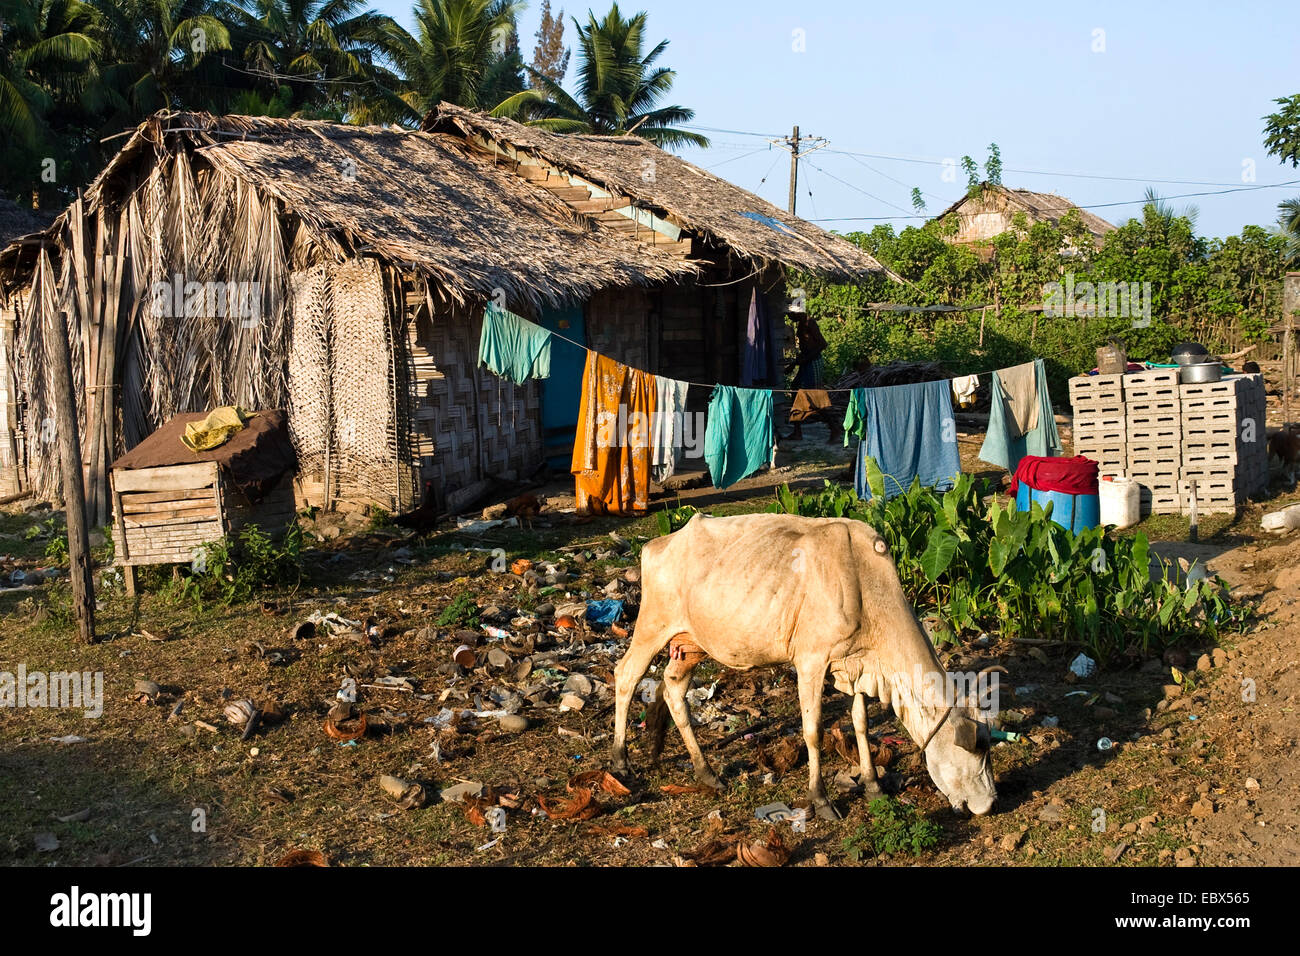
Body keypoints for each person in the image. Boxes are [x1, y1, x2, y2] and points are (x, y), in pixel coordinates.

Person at [783, 304, 839, 441]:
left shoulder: (810, 323)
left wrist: (803, 361)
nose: (788, 317)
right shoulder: (801, 324)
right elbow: (805, 350)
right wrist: (794, 364)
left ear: (797, 312)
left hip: (813, 363)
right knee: (796, 389)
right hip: (806, 362)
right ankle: (797, 431)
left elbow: (822, 345)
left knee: (814, 397)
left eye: (790, 314)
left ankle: (834, 428)